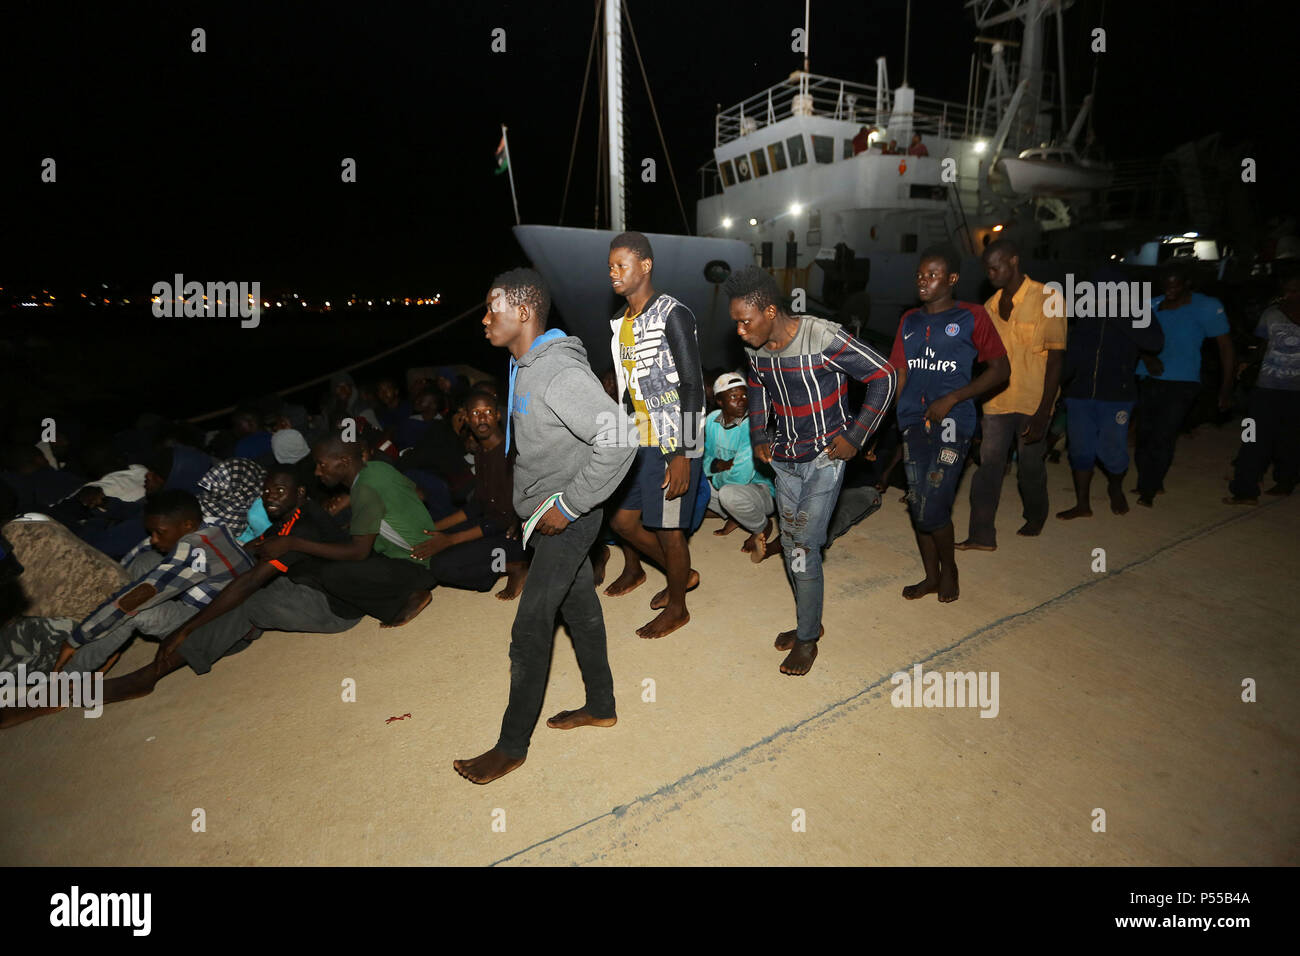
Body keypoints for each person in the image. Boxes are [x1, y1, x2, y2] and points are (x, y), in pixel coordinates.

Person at [453, 268, 636, 785]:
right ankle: (601, 705)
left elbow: (620, 438)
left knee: (530, 627)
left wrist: (572, 505)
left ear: (525, 312)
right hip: (542, 514)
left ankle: (511, 746)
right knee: (581, 610)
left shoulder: (557, 373)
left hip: (566, 515)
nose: (485, 318)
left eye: (493, 308)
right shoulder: (522, 367)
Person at [728, 265, 896, 676]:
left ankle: (807, 638)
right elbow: (756, 387)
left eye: (744, 321)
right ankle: (809, 618)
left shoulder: (822, 337)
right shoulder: (756, 348)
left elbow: (884, 376)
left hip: (826, 457)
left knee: (804, 544)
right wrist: (758, 435)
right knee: (790, 542)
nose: (739, 331)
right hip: (784, 459)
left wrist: (856, 435)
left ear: (770, 311)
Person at [98, 467, 364, 702]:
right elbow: (252, 549)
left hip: (335, 607)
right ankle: (223, 636)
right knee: (238, 591)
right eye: (267, 490)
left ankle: (149, 676)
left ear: (301, 492)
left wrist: (185, 629)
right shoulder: (293, 516)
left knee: (250, 602)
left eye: (280, 490)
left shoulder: (304, 526)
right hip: (312, 586)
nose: (270, 496)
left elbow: (249, 582)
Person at [890, 247, 1009, 601]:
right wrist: (893, 413)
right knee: (918, 502)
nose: (923, 281)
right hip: (912, 420)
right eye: (920, 275)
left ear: (952, 279)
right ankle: (931, 576)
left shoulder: (972, 316)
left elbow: (1001, 370)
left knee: (934, 504)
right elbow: (900, 370)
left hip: (953, 421)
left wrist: (954, 398)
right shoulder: (909, 319)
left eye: (933, 274)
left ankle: (950, 570)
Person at [603, 231, 706, 640]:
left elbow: (694, 386)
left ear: (645, 266)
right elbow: (628, 387)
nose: (613, 272)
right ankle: (677, 572)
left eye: (621, 265)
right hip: (638, 434)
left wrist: (681, 452)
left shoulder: (672, 313)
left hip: (674, 438)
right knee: (623, 521)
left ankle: (678, 606)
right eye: (610, 266)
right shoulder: (619, 321)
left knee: (668, 528)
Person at [957, 238, 1066, 550]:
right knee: (988, 467)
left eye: (996, 266)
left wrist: (1046, 409)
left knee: (1030, 467)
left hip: (1034, 400)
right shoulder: (990, 307)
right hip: (997, 400)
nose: (991, 273)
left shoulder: (1049, 298)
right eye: (987, 269)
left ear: (1014, 261)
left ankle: (1035, 515)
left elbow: (1057, 359)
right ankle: (981, 534)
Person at [259, 436, 435, 627]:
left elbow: (358, 553)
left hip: (418, 564)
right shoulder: (377, 468)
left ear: (344, 462)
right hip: (424, 550)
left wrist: (293, 543)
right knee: (341, 552)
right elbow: (420, 494)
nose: (317, 472)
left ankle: (405, 600)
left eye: (322, 464)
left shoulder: (362, 490)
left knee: (332, 574)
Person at [1057, 266, 1165, 518]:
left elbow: (1155, 342)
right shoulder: (1086, 315)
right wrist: (1058, 386)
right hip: (1080, 394)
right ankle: (1082, 504)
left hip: (1118, 395)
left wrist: (1118, 314)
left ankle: (1115, 487)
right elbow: (1072, 354)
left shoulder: (1135, 312)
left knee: (1111, 448)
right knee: (1080, 449)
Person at [411, 390, 528, 599]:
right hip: (490, 524)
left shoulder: (511, 453)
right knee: (431, 538)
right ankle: (487, 566)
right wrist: (434, 528)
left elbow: (502, 520)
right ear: (466, 418)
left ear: (498, 416)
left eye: (488, 412)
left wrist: (451, 539)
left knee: (441, 565)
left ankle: (512, 567)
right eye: (475, 413)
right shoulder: (482, 452)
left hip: (514, 537)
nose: (482, 419)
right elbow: (478, 504)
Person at [1134, 260, 1233, 507]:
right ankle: (1149, 477)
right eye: (1166, 286)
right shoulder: (1151, 305)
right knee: (1143, 435)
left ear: (1187, 283)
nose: (1170, 291)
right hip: (1148, 378)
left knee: (1164, 435)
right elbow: (1131, 339)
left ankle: (1149, 488)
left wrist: (1226, 387)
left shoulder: (1207, 306)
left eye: (1175, 286)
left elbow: (1226, 348)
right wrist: (1147, 357)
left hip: (1182, 381)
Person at [1226, 273, 1300, 503]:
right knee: (1251, 436)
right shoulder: (1271, 313)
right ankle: (1245, 488)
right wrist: (1246, 363)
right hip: (1265, 389)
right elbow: (1262, 344)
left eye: (1295, 290)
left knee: (1290, 440)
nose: (1290, 295)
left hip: (1296, 393)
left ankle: (1286, 482)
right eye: (1287, 290)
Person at [702, 372, 776, 555]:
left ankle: (762, 525)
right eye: (734, 396)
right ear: (720, 401)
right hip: (734, 486)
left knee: (728, 493)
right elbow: (705, 462)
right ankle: (736, 516)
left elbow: (741, 477)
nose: (742, 401)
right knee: (692, 481)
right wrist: (716, 466)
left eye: (745, 395)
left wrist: (717, 475)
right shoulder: (712, 420)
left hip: (761, 491)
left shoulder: (753, 426)